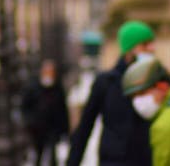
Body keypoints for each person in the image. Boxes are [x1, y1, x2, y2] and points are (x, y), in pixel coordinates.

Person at [66, 20, 155, 166]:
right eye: (145, 44)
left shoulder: (157, 80)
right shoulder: (106, 82)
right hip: (114, 160)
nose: (151, 49)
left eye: (151, 43)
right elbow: (85, 127)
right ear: (130, 49)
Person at [21, 59, 70, 166]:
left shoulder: (57, 88)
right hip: (38, 129)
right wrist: (30, 122)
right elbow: (25, 106)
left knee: (53, 156)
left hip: (53, 128)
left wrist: (65, 130)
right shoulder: (33, 87)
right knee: (38, 154)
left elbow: (63, 110)